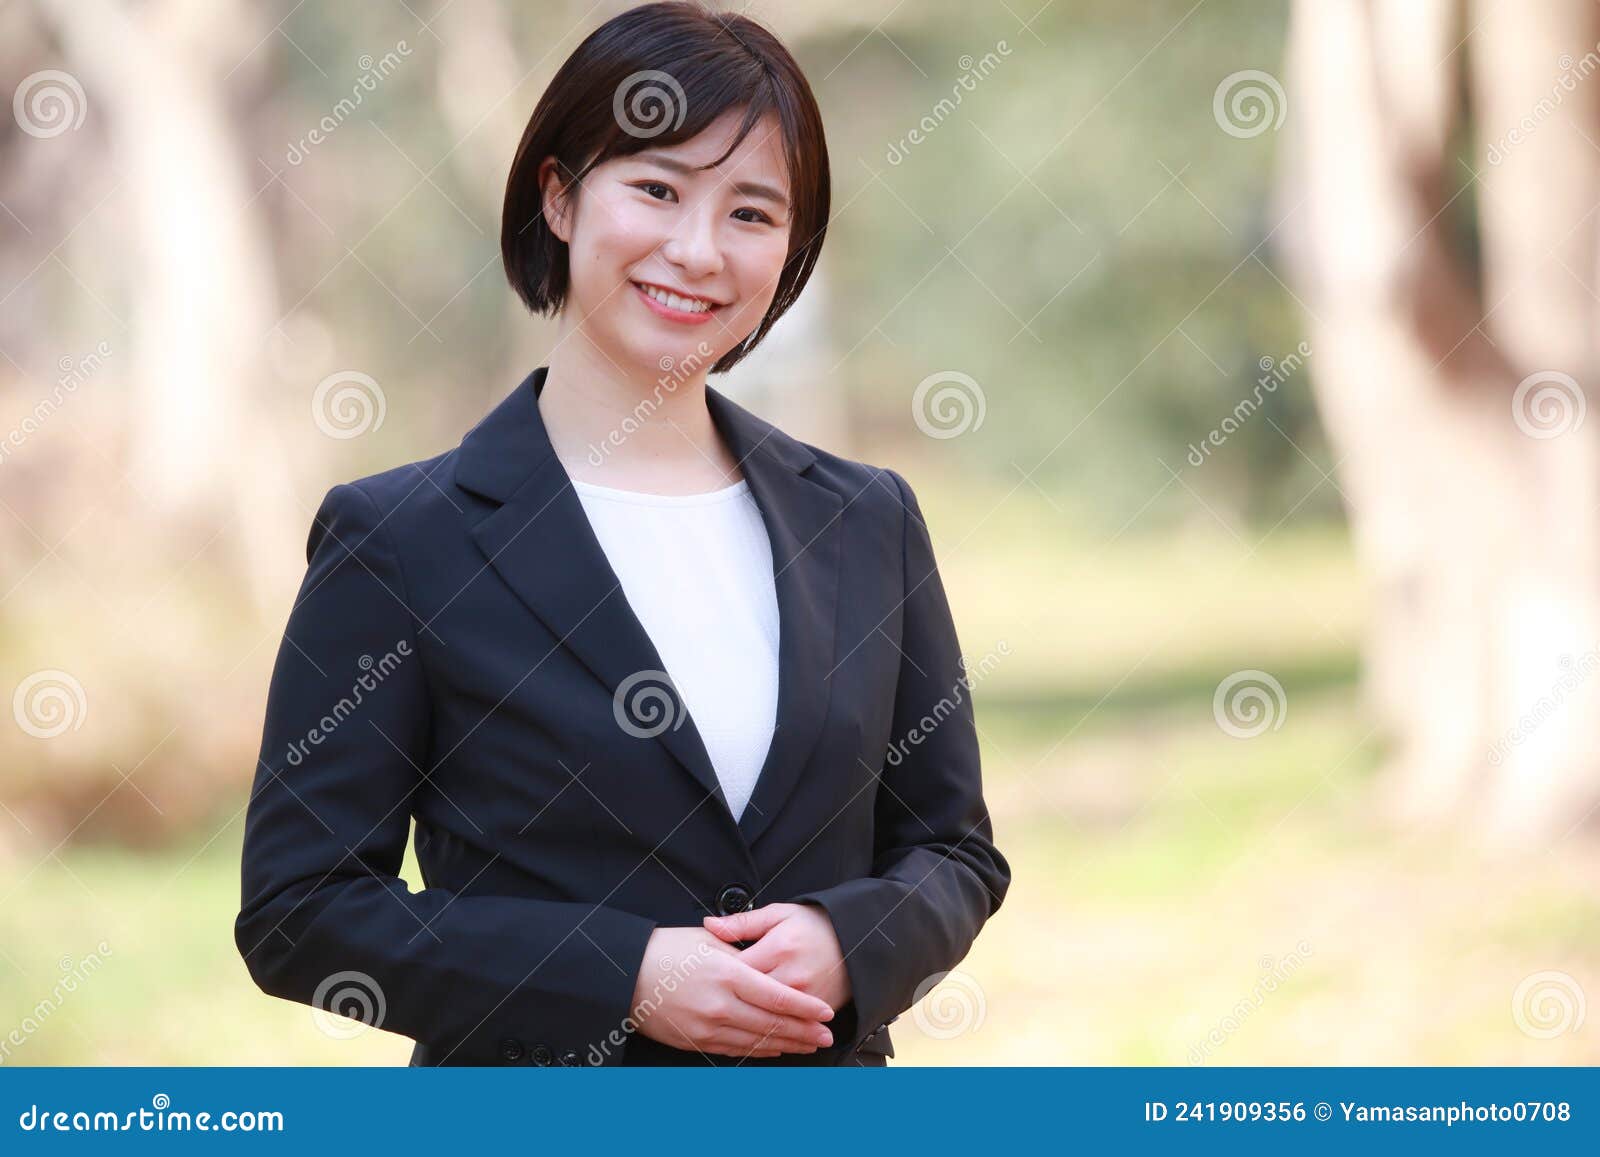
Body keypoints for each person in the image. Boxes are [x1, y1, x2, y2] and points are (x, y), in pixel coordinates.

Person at [234, 0, 1010, 1067]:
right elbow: (300, 910)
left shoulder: (863, 516)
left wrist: (848, 939)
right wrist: (620, 976)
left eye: (751, 212)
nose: (697, 250)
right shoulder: (400, 539)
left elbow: (953, 849)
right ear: (558, 196)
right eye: (655, 189)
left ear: (791, 250)